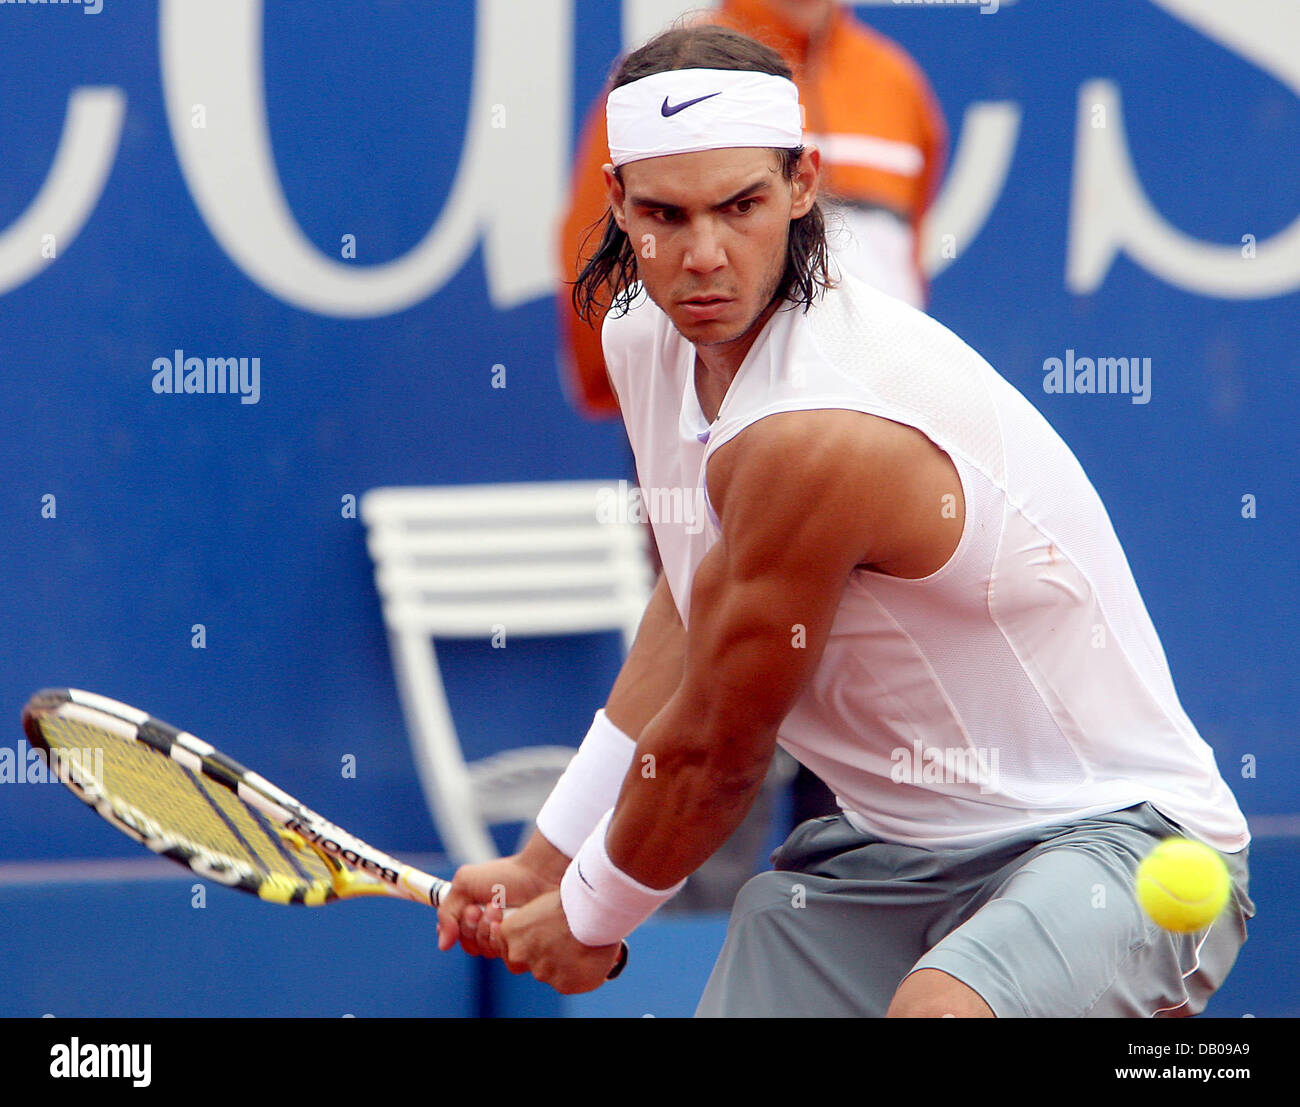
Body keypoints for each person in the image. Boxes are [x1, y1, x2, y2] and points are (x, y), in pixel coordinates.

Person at [437, 25, 1254, 1017]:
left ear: (802, 183)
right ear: (615, 201)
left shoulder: (814, 428)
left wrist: (591, 916)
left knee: (939, 1014)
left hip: (1114, 837)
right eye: (663, 214)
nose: (702, 258)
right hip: (890, 852)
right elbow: (691, 607)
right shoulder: (639, 336)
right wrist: (545, 860)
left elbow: (719, 749)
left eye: (739, 206)